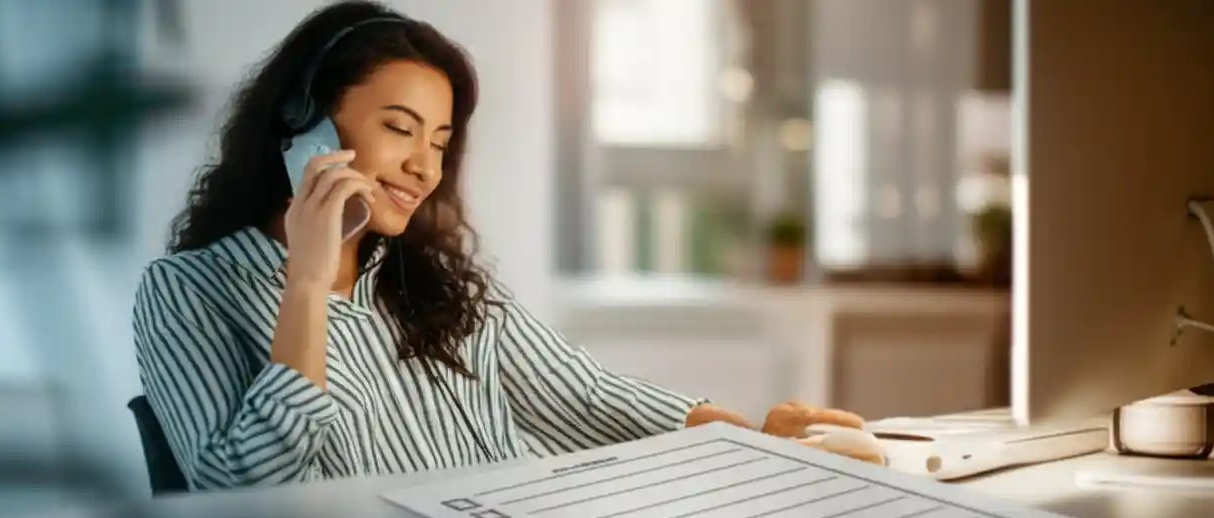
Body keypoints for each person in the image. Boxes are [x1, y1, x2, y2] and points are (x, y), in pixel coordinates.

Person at [133, 1, 870, 491]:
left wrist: (752, 436)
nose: (425, 167)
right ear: (307, 126)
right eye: (399, 128)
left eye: (440, 142)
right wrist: (307, 282)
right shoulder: (186, 291)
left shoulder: (433, 281)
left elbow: (588, 397)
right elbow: (240, 492)